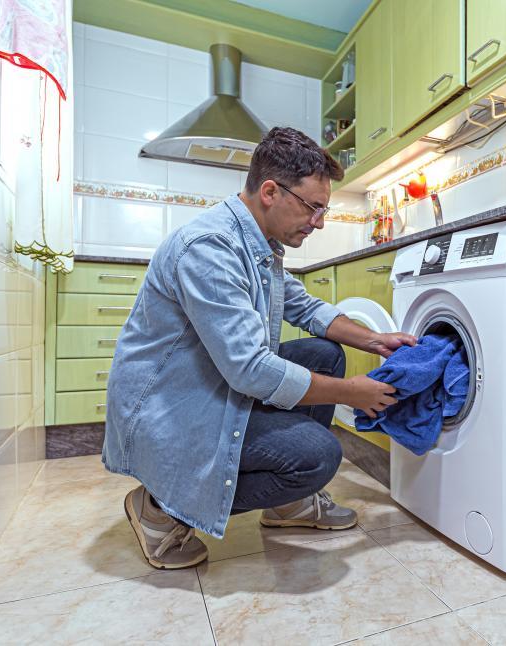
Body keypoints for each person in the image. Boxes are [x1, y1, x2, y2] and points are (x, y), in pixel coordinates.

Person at [102, 127, 416, 569]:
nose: (320, 222)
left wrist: (375, 339)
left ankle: (288, 505)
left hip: (208, 386)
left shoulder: (258, 247)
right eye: (314, 207)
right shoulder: (211, 248)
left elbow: (303, 306)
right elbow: (250, 370)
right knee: (319, 456)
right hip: (172, 410)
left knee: (324, 353)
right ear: (270, 191)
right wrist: (352, 393)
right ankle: (159, 509)